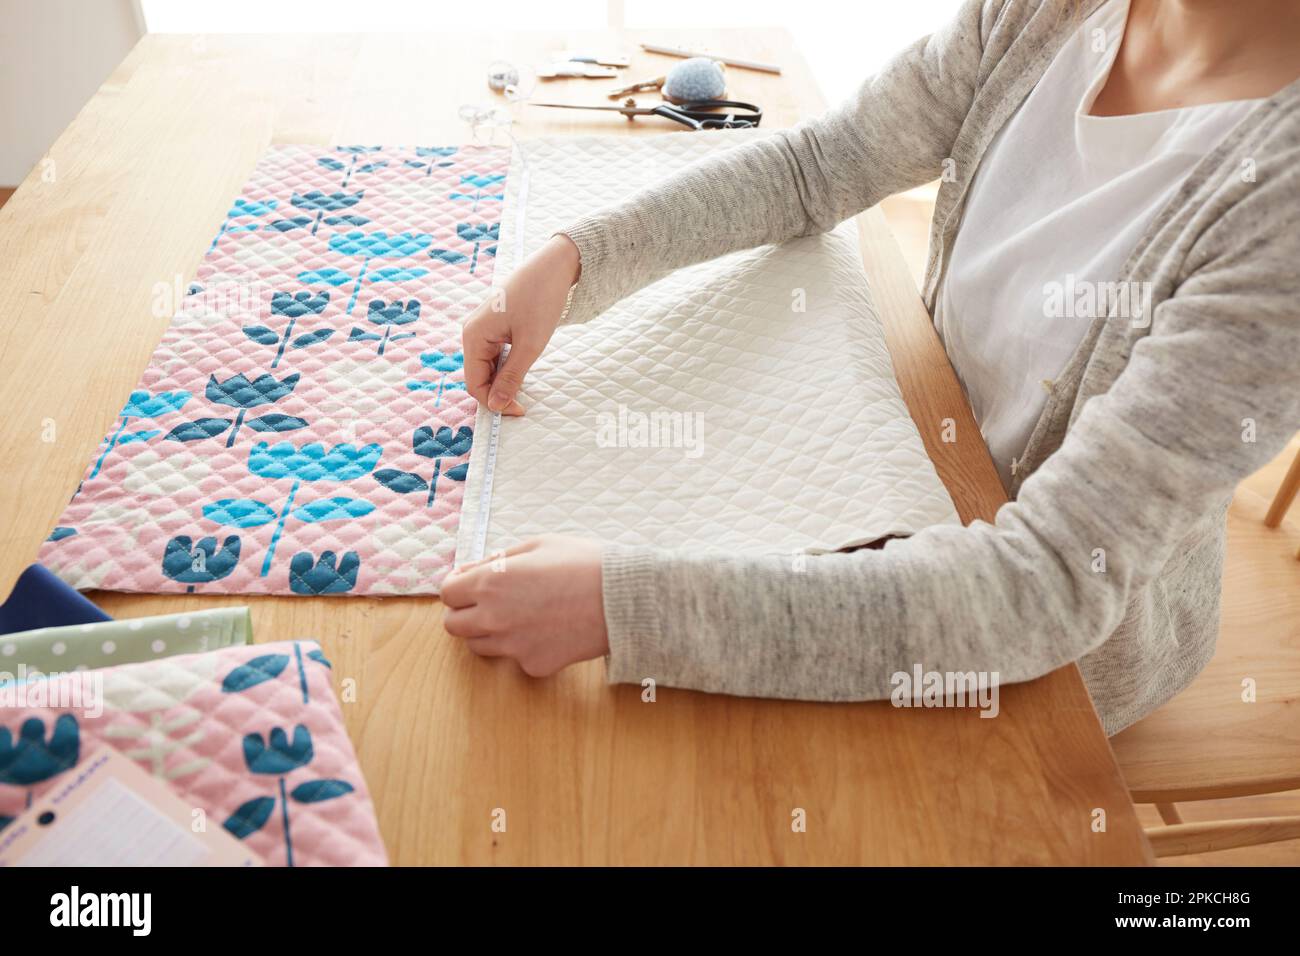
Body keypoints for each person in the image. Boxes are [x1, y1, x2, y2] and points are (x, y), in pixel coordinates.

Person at [441, 0, 1300, 734]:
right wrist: (581, 257)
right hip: (916, 445)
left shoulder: (1281, 217)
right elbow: (827, 163)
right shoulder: (1049, 12)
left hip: (1048, 658)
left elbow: (1048, 589)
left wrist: (626, 606)